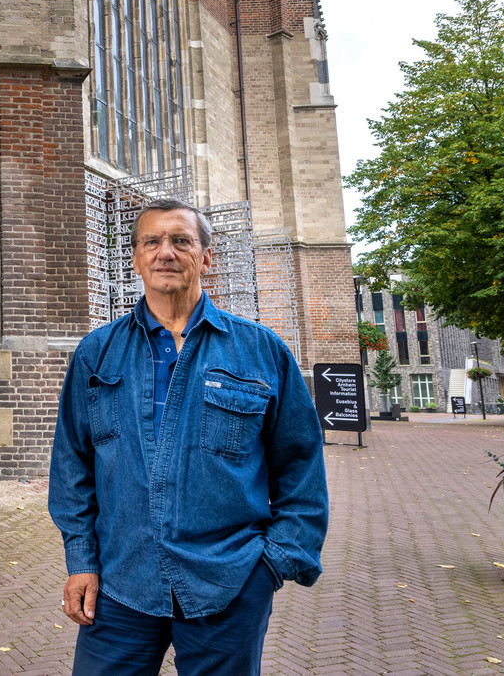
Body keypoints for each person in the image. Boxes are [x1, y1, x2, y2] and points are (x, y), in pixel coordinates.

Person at [48, 198, 328, 676]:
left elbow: (300, 466)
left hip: (230, 583)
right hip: (120, 584)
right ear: (135, 258)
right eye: (152, 242)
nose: (166, 252)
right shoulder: (97, 354)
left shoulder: (261, 352)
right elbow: (73, 466)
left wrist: (273, 565)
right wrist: (82, 560)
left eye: (181, 241)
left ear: (206, 256)